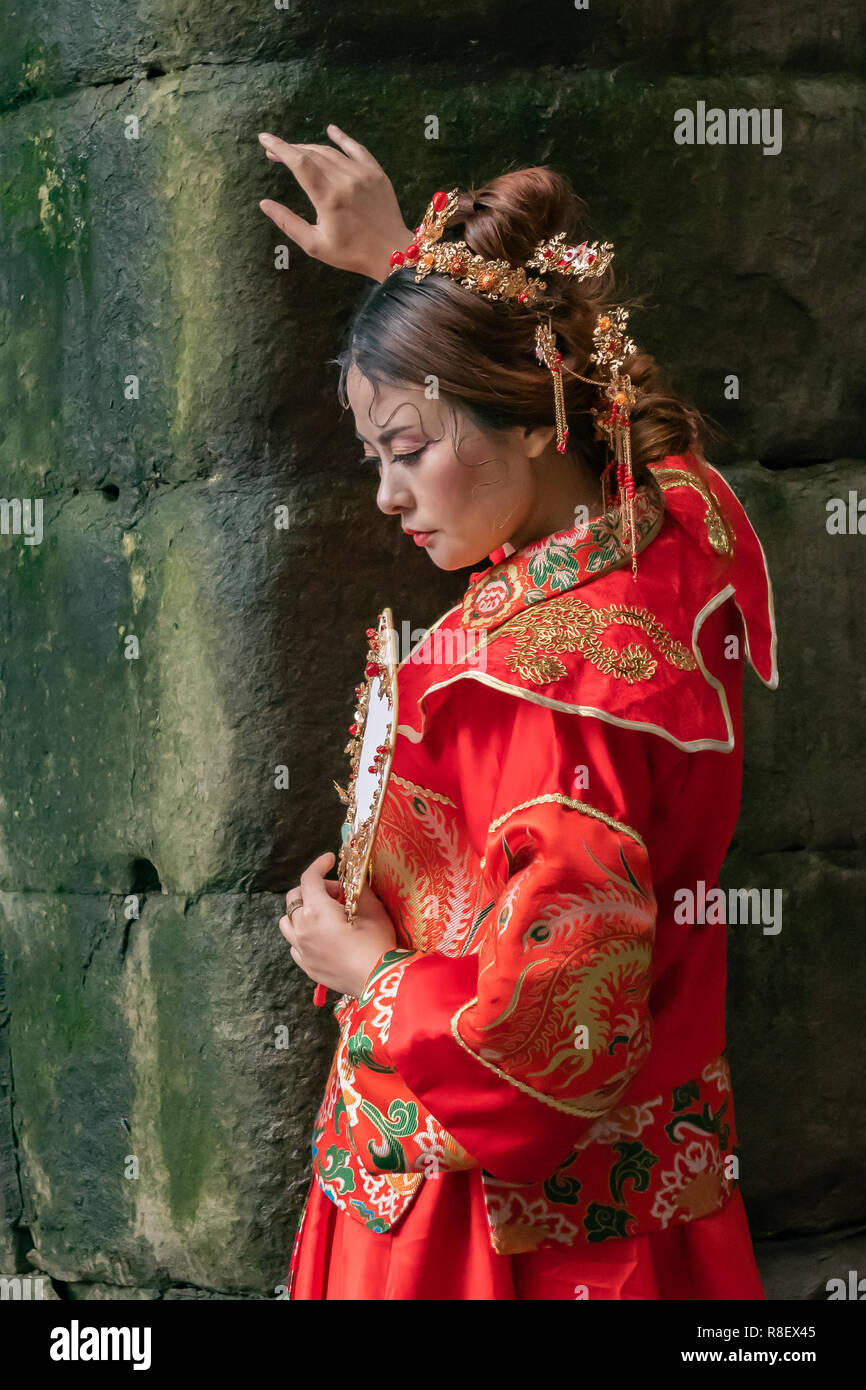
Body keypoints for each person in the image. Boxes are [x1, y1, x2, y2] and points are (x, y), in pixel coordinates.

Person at [259, 127, 777, 1300]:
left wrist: (367, 969)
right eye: (373, 456)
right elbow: (606, 390)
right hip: (649, 1193)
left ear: (538, 416)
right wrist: (410, 268)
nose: (386, 494)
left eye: (406, 449)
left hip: (481, 1227)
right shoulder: (674, 527)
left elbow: (549, 1035)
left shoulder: (536, 684)